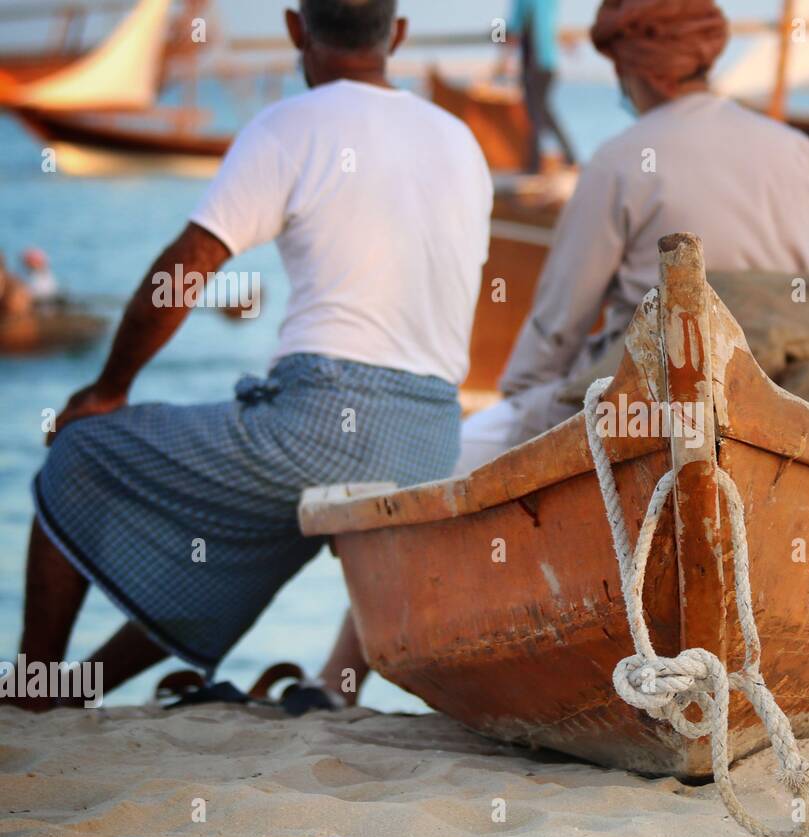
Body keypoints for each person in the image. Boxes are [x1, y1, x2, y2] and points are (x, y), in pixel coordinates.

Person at [10, 0, 492, 712]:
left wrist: (110, 388)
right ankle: (71, 693)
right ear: (397, 35)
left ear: (298, 29)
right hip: (430, 435)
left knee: (79, 452)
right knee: (216, 577)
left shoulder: (287, 125)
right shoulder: (460, 141)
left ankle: (28, 687)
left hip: (321, 427)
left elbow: (185, 268)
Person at [457, 0, 809, 472]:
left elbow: (562, 318)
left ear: (643, 74)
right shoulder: (801, 153)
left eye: (620, 70)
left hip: (643, 408)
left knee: (469, 447)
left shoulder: (617, 160)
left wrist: (523, 404)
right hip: (779, 399)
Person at [504, 0, 576, 172]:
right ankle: (570, 155)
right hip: (548, 62)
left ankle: (535, 165)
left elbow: (514, 27)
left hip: (533, 63)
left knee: (535, 114)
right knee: (543, 111)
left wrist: (497, 35)